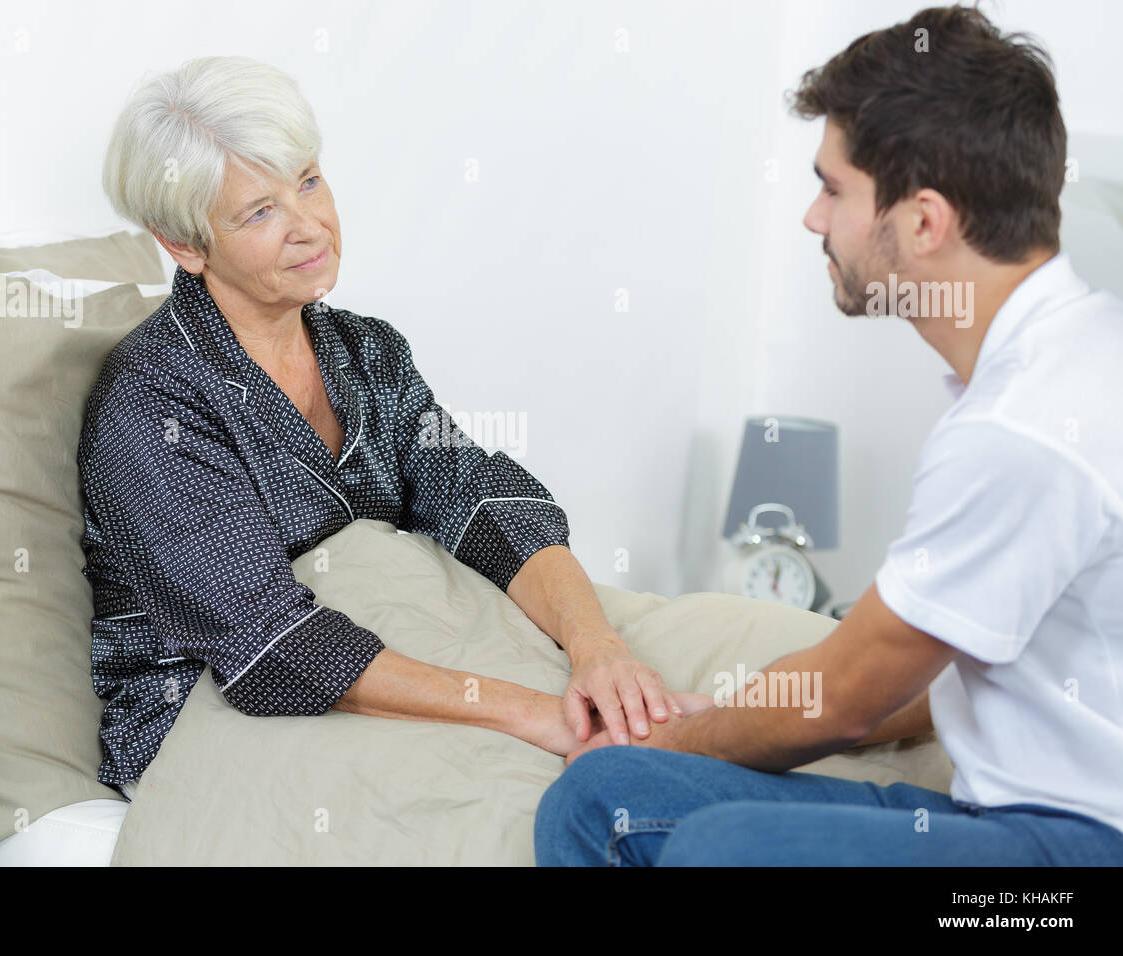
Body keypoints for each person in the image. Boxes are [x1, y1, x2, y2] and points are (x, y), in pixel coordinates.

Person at [535, 4, 1123, 866]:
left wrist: (669, 742)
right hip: (995, 817)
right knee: (606, 797)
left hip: (1078, 848)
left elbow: (846, 696)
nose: (814, 219)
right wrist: (709, 728)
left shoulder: (1024, 425)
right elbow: (919, 665)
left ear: (923, 222)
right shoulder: (1049, 366)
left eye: (834, 188)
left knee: (720, 850)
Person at [80, 56, 681, 796]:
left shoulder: (366, 352)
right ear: (185, 246)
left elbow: (481, 501)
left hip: (405, 641)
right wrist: (536, 715)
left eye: (308, 180)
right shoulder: (153, 401)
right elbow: (272, 647)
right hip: (205, 711)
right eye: (260, 212)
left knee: (680, 690)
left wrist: (597, 651)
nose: (311, 227)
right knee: (534, 786)